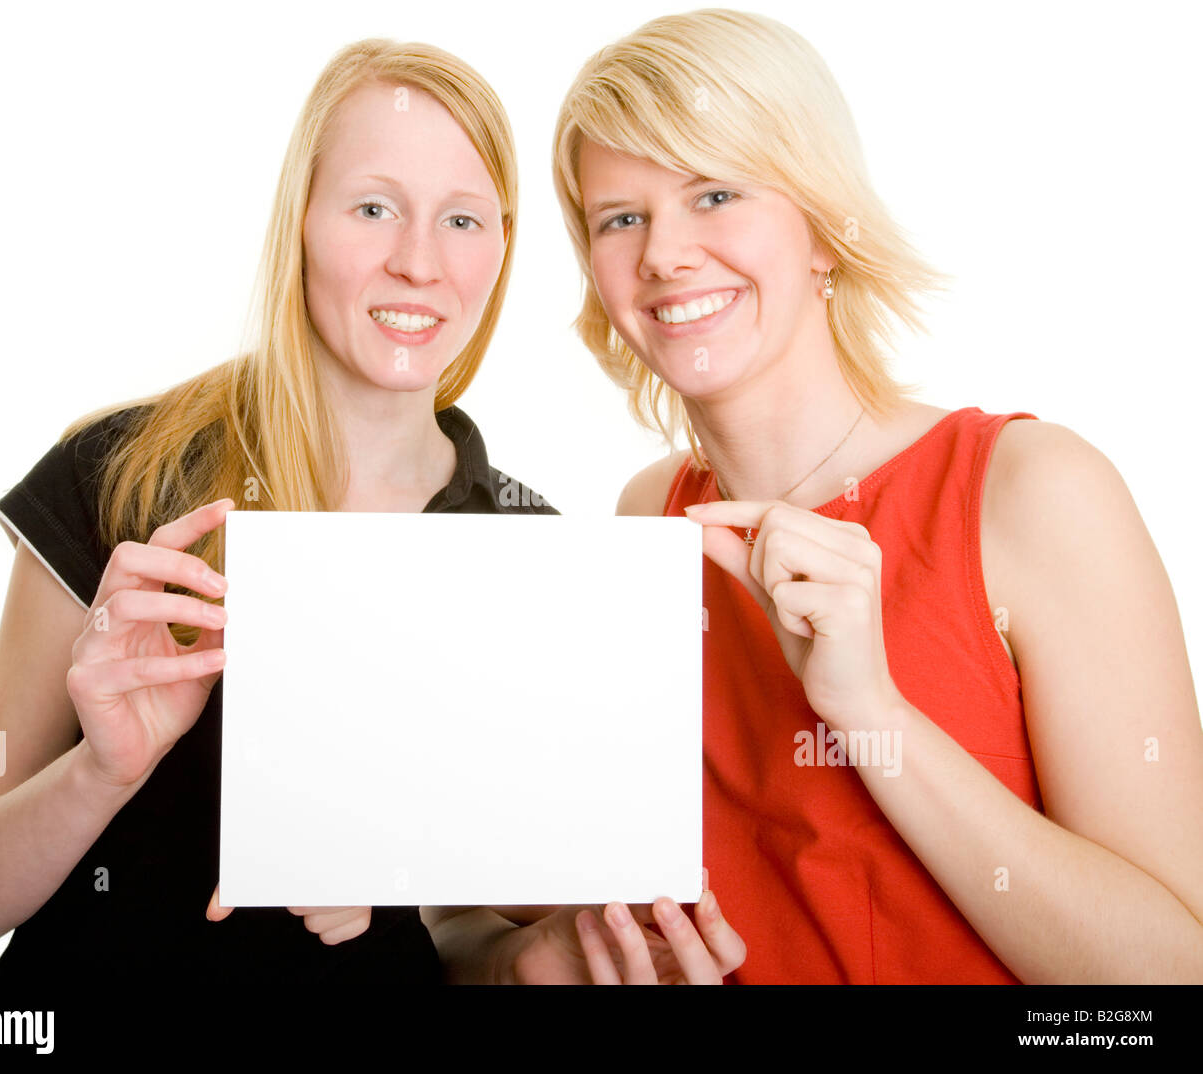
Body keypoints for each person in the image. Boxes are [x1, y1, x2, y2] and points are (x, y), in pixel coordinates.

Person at [438, 9, 1203, 984]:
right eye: (619, 218)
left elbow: (1170, 974)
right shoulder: (645, 518)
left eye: (714, 194)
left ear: (823, 232)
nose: (664, 254)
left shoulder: (1033, 492)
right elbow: (508, 910)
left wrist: (866, 708)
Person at [0, 38, 560, 987]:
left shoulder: (534, 549)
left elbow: (515, 913)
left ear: (502, 246)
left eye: (462, 219)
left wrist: (409, 866)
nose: (419, 262)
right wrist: (100, 775)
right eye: (373, 207)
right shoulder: (124, 472)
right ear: (299, 219)